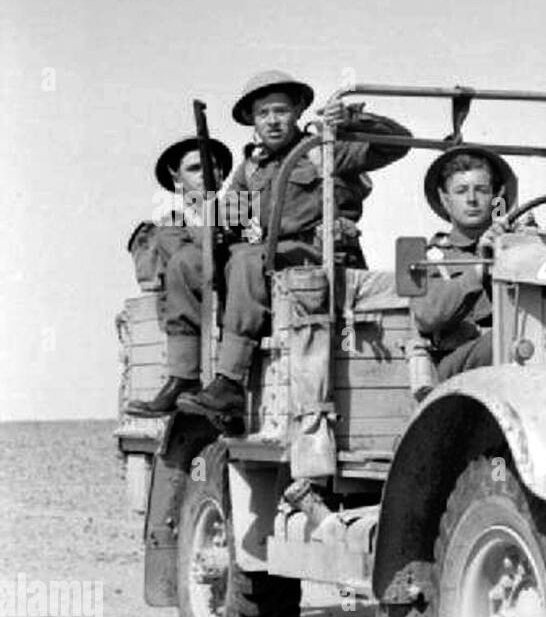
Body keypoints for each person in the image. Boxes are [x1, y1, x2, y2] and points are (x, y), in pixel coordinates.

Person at [178, 70, 411, 426]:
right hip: (272, 263)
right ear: (253, 121)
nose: (272, 121)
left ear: (299, 111)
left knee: (246, 257)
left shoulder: (324, 149)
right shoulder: (250, 170)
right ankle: (187, 375)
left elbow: (398, 143)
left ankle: (230, 381)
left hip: (321, 260)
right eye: (263, 114)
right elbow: (229, 218)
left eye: (281, 111)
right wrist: (213, 225)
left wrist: (353, 120)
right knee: (195, 259)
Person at [124, 135, 233, 416]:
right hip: (201, 304)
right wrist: (211, 234)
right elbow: (187, 264)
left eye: (212, 167)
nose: (207, 175)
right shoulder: (171, 223)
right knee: (184, 261)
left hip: (238, 302)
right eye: (195, 169)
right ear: (177, 178)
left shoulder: (240, 208)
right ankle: (184, 377)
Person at [409, 147, 519, 384]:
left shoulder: (517, 244)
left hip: (517, 354)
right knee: (511, 338)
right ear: (444, 199)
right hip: (454, 369)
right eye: (461, 191)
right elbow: (426, 316)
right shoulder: (422, 255)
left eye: (482, 190)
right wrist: (481, 268)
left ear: (496, 197)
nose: (472, 199)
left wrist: (514, 246)